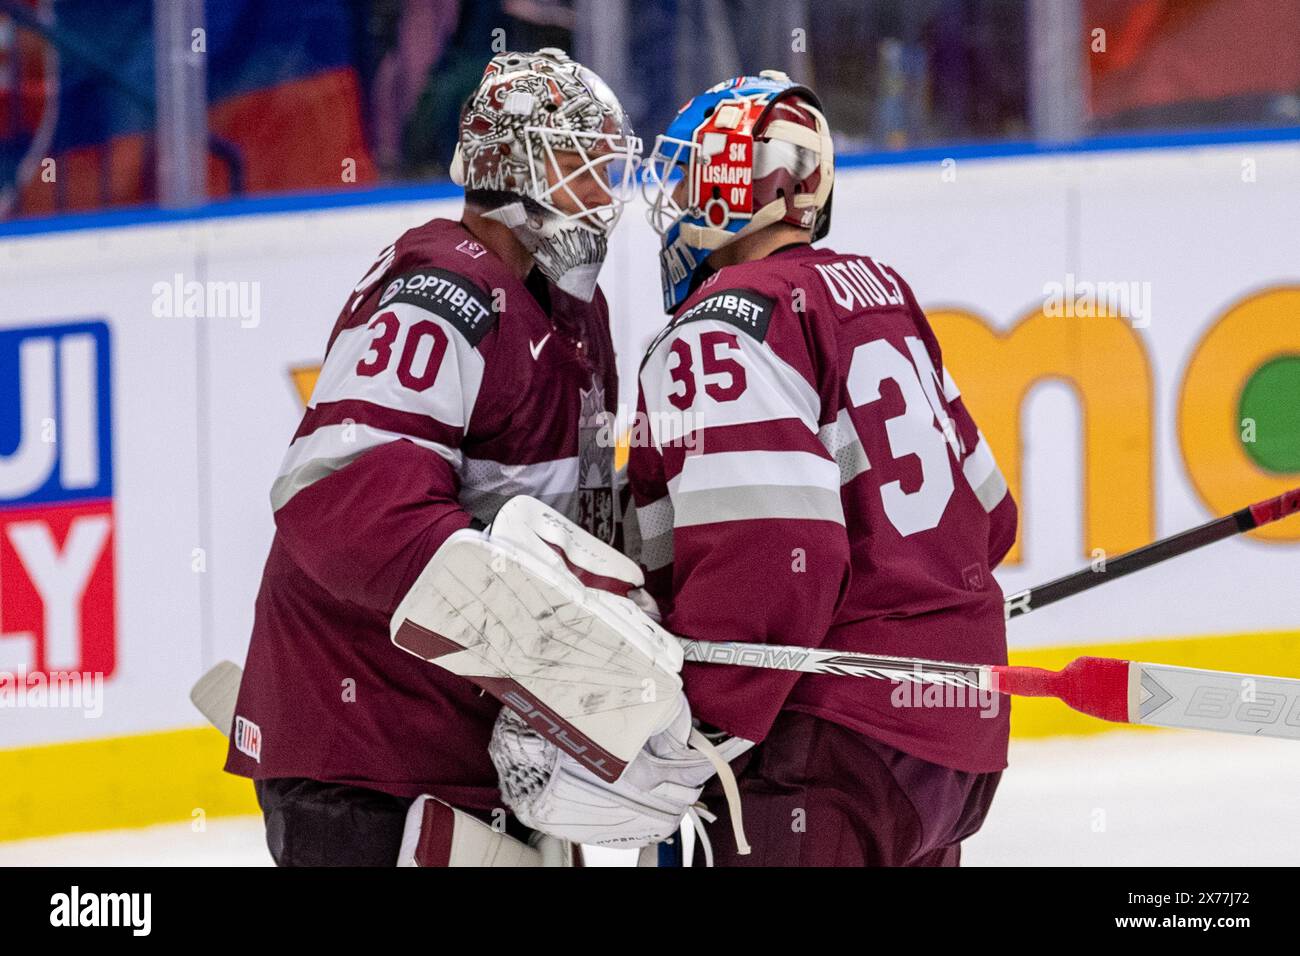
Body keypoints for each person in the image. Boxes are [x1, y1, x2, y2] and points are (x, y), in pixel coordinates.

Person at [224, 48, 640, 866]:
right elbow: (345, 494)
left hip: (483, 759)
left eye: (606, 167)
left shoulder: (571, 315)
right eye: (579, 165)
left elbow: (574, 520)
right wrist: (548, 645)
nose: (603, 195)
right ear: (510, 168)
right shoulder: (439, 289)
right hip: (374, 757)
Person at [630, 71, 1019, 866]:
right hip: (953, 750)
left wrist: (694, 735)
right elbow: (993, 518)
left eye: (686, 176)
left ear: (738, 186)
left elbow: (770, 552)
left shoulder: (719, 330)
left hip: (826, 752)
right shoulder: (881, 292)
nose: (672, 203)